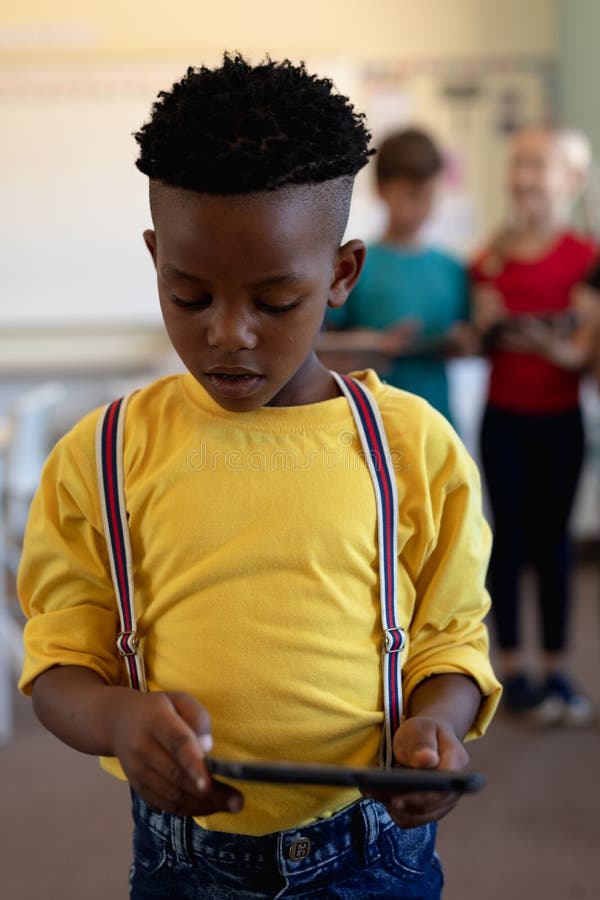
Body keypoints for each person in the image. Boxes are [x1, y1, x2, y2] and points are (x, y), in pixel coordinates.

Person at [18, 55, 500, 899]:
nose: (228, 335)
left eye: (274, 302)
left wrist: (435, 726)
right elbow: (59, 662)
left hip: (371, 851)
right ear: (154, 257)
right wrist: (118, 720)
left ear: (342, 275)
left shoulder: (411, 448)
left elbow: (449, 639)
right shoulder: (103, 453)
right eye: (190, 296)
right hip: (184, 860)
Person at [471, 125, 598, 726]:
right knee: (508, 542)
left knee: (554, 545)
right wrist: (480, 320)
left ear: (571, 181)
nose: (523, 178)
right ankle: (513, 669)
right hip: (503, 420)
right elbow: (471, 340)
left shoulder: (588, 260)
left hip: (562, 421)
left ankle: (555, 667)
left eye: (538, 166)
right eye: (517, 164)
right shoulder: (486, 259)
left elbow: (589, 354)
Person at [320, 127, 475, 425]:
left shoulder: (453, 269)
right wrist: (376, 343)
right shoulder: (356, 265)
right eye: (411, 196)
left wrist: (463, 342)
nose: (421, 207)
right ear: (381, 189)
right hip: (372, 418)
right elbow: (326, 346)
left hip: (438, 418)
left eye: (430, 195)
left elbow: (468, 343)